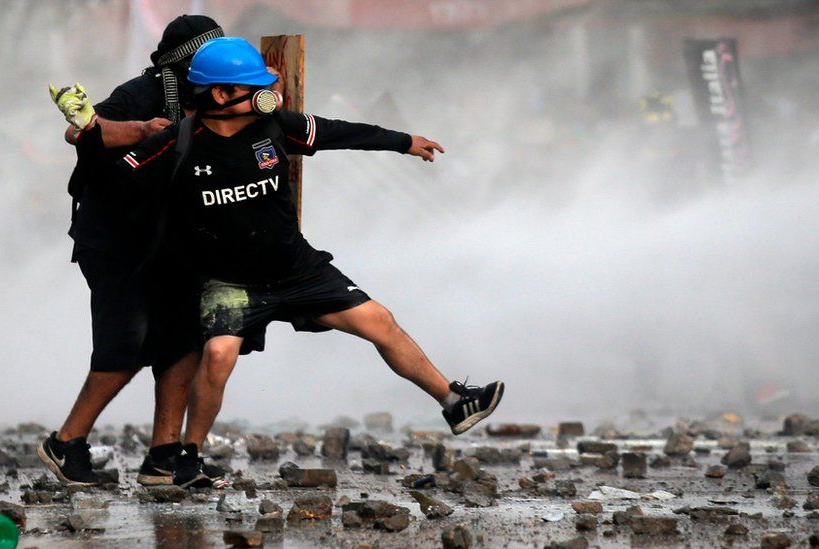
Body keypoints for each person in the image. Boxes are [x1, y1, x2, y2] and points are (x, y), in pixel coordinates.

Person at [66, 37, 506, 488]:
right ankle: (188, 457)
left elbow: (340, 132)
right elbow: (112, 180)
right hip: (230, 282)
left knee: (381, 321)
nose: (267, 92)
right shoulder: (176, 144)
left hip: (298, 270)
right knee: (217, 355)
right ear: (220, 95)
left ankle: (454, 401)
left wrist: (404, 142)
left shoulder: (277, 127)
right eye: (253, 85)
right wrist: (94, 133)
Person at [40, 15, 243, 487]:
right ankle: (66, 442)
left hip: (169, 240)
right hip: (114, 241)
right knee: (125, 345)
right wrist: (141, 130)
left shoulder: (214, 95)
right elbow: (79, 132)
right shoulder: (143, 92)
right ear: (182, 64)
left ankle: (163, 456)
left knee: (181, 338)